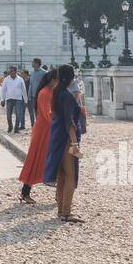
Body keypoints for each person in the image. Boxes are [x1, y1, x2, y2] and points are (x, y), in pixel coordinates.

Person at [43, 64, 87, 223]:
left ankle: (61, 210)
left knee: (61, 175)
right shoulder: (67, 96)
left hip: (56, 138)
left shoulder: (56, 93)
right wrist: (74, 143)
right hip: (67, 139)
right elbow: (70, 122)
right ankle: (66, 212)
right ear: (71, 78)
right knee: (71, 176)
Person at [17, 66, 56, 204]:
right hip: (43, 131)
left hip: (45, 129)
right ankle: (25, 191)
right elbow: (47, 114)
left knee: (43, 159)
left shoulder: (49, 91)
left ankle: (52, 184)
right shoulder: (45, 93)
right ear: (53, 80)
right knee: (35, 159)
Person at [1, 66, 27, 133]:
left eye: (12, 71)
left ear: (15, 71)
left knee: (18, 115)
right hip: (9, 99)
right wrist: (2, 99)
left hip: (18, 99)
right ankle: (10, 127)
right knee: (8, 115)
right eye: (10, 71)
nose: (11, 72)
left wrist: (25, 100)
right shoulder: (6, 79)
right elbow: (3, 90)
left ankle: (16, 129)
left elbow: (24, 90)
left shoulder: (20, 79)